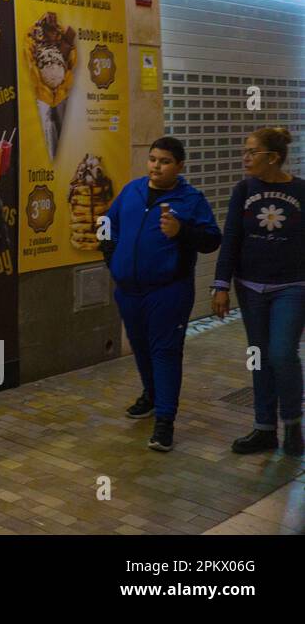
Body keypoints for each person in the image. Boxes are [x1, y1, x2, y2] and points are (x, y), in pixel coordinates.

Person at [100, 137, 221, 452]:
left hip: (169, 290)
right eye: (153, 159)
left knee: (165, 352)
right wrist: (112, 260)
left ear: (179, 166)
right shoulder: (132, 190)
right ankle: (151, 395)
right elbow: (106, 224)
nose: (156, 166)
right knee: (140, 347)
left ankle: (165, 421)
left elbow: (211, 240)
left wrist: (181, 232)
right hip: (128, 290)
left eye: (164, 161)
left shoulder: (191, 199)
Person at [212, 127, 305, 457]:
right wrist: (221, 284)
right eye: (245, 151)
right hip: (250, 286)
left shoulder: (300, 191)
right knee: (259, 356)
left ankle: (293, 422)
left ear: (273, 158)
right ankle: (265, 429)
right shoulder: (243, 190)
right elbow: (232, 237)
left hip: (291, 286)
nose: (245, 158)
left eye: (252, 152)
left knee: (281, 351)